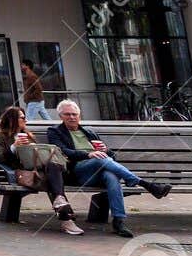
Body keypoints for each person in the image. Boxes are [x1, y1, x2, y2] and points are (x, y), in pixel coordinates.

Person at [46, 99, 171, 237]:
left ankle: (119, 221)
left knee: (111, 177)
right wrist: (89, 154)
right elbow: (63, 151)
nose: (71, 117)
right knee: (101, 160)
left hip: (97, 171)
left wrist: (106, 150)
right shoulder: (55, 131)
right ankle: (144, 183)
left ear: (79, 115)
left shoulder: (89, 132)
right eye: (67, 114)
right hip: (76, 172)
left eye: (74, 114)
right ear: (60, 116)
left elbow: (112, 158)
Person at [0, 105, 82, 234]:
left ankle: (60, 202)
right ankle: (66, 219)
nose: (26, 120)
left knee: (53, 166)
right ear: (12, 119)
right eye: (22, 117)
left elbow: (40, 156)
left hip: (39, 169)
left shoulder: (28, 135)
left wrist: (33, 148)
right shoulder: (2, 137)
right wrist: (14, 147)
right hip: (22, 172)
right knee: (52, 179)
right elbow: (0, 157)